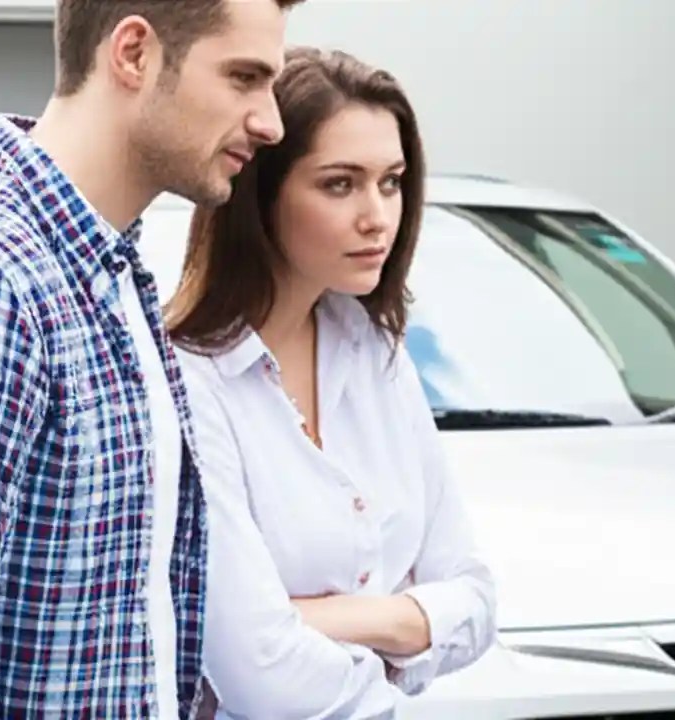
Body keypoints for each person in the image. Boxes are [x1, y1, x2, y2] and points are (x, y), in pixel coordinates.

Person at [165, 46, 497, 718]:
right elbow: (254, 669)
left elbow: (478, 600)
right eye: (340, 184)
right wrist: (406, 621)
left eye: (393, 181)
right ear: (261, 194)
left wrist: (326, 617)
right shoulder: (191, 381)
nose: (377, 216)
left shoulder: (377, 357)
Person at [0, 0, 298, 717]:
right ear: (133, 53)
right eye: (244, 77)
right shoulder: (8, 280)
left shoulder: (114, 271)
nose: (271, 122)